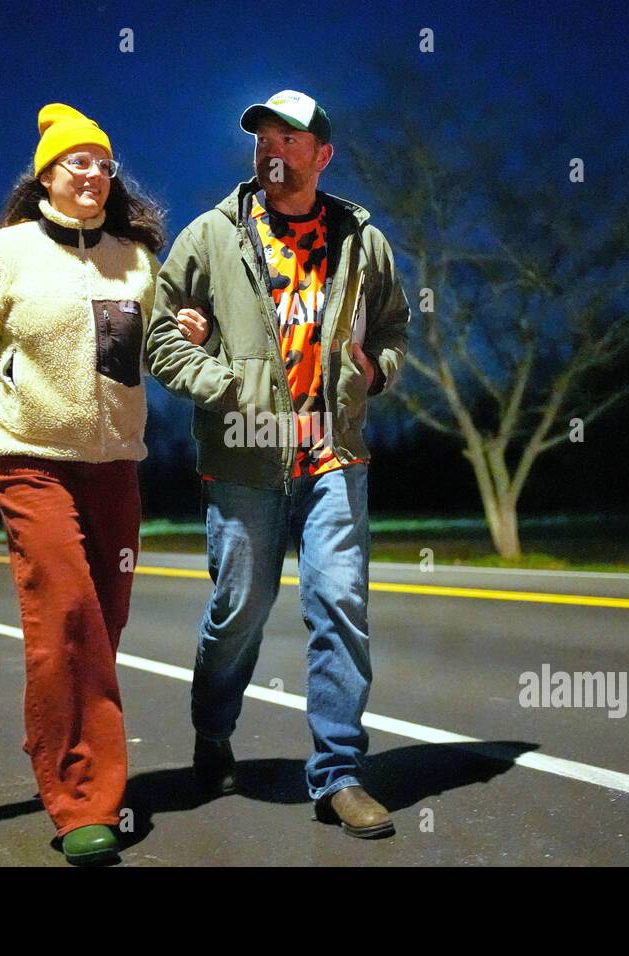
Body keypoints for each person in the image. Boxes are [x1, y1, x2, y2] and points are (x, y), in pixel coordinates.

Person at [0, 103, 205, 864]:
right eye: (77, 163)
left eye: (103, 163)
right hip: (29, 460)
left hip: (115, 470)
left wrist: (192, 331)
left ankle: (57, 732)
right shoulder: (3, 255)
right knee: (66, 613)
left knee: (99, 627)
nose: (94, 175)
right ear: (45, 178)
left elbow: (154, 352)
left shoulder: (135, 259)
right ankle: (82, 801)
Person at [145, 90, 410, 838]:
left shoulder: (363, 240)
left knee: (338, 608)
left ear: (322, 155)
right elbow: (159, 336)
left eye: (290, 139)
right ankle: (213, 730)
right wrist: (220, 384)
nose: (272, 149)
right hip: (244, 459)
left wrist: (376, 371)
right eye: (264, 137)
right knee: (239, 614)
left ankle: (337, 774)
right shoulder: (210, 237)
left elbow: (393, 328)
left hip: (334, 456)